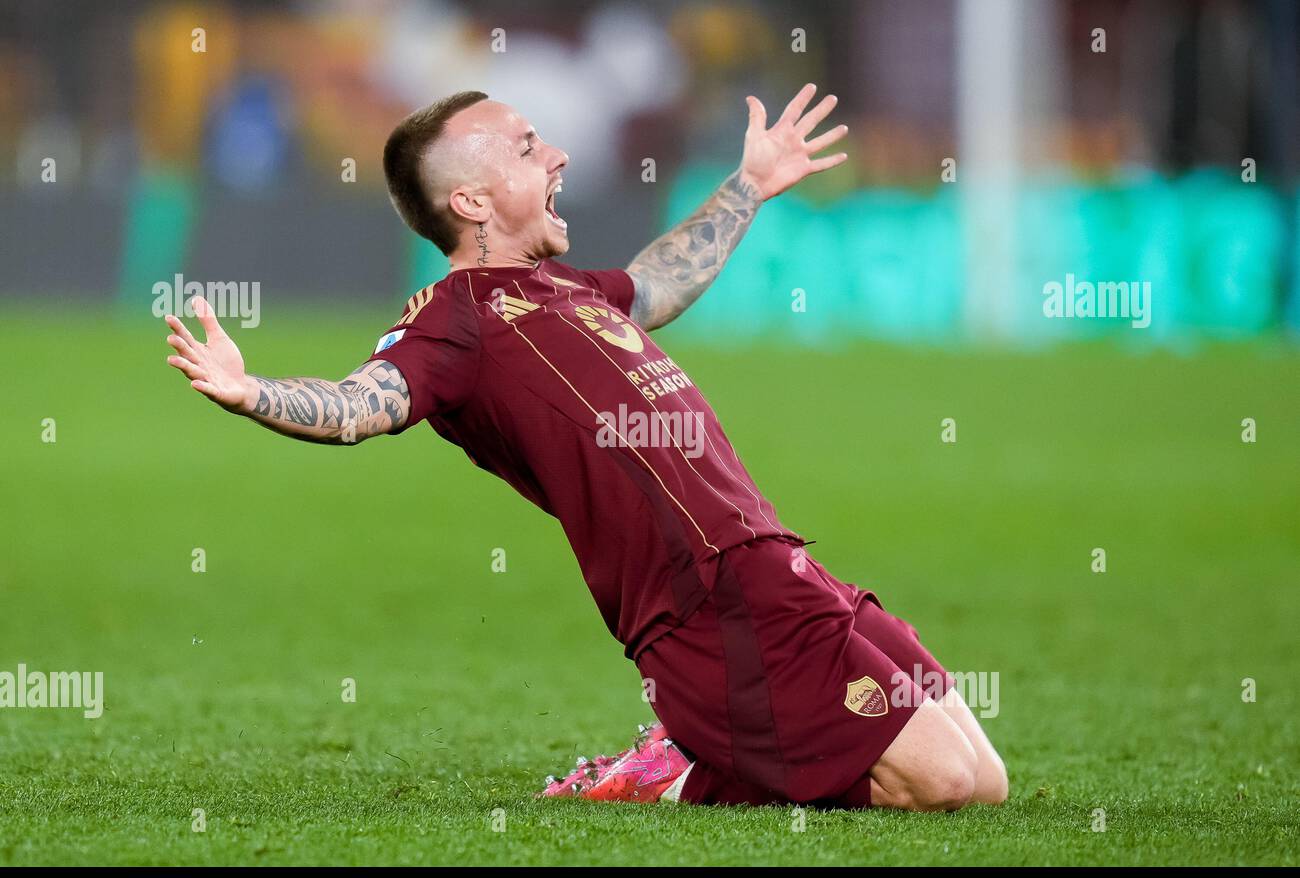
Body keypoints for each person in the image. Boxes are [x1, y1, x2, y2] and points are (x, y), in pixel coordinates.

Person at [163, 85, 1007, 811]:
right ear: (472, 201)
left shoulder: (564, 285)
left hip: (775, 562)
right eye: (529, 147)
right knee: (934, 785)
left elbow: (662, 282)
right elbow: (363, 403)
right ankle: (680, 769)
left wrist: (749, 186)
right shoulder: (452, 321)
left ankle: (702, 751)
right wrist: (253, 392)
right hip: (707, 602)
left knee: (986, 780)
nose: (558, 154)